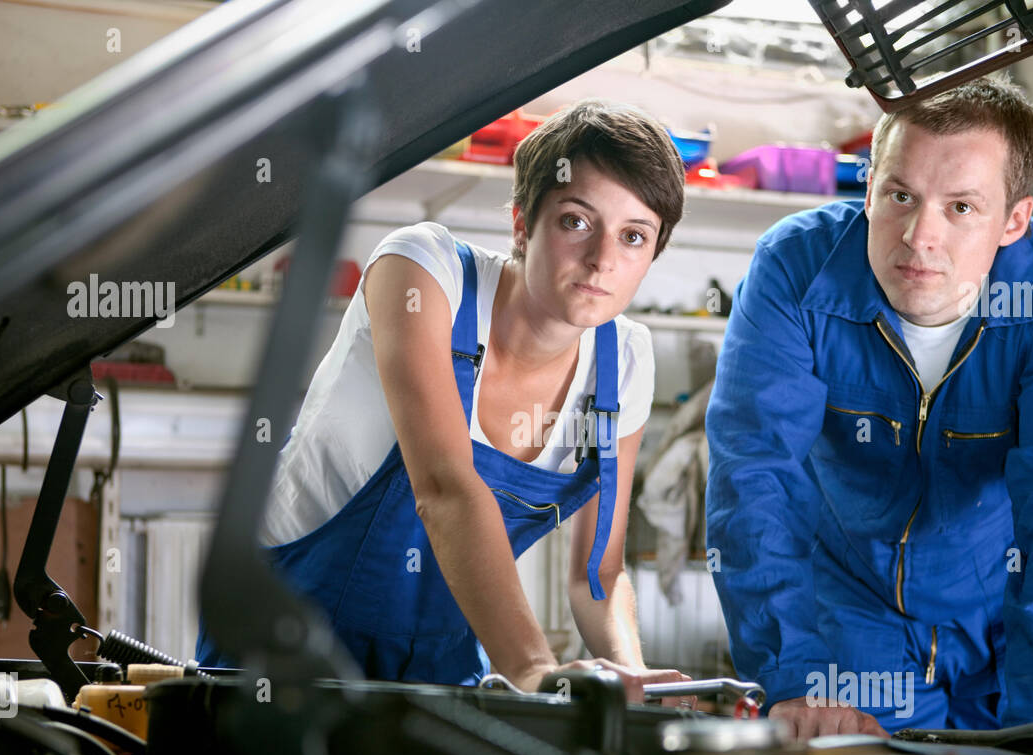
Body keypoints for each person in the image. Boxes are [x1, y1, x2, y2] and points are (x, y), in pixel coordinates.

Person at [197, 99, 691, 703]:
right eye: (576, 221)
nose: (603, 260)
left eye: (634, 237)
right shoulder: (424, 271)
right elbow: (444, 488)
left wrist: (631, 676)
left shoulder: (626, 366)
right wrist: (536, 669)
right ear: (521, 223)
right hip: (284, 653)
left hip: (445, 670)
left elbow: (598, 575)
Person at [705, 75, 1033, 740]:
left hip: (1009, 612)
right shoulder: (795, 269)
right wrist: (792, 673)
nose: (919, 236)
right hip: (853, 614)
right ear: (869, 184)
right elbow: (755, 478)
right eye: (900, 195)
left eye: (962, 207)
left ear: (1015, 221)